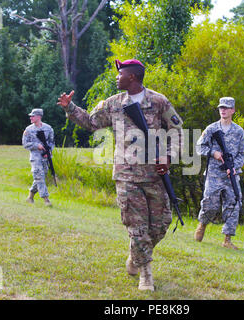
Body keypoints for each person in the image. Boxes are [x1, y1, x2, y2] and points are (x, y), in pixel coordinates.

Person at [57, 59, 183, 291]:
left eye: (120, 73)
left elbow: (176, 130)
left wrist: (168, 156)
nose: (117, 77)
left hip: (155, 175)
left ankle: (135, 255)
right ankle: (146, 274)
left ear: (133, 77)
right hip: (126, 176)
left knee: (161, 225)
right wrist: (70, 108)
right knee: (137, 227)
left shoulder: (158, 101)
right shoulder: (113, 103)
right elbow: (91, 122)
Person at [194, 97, 244, 249]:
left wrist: (234, 167)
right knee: (210, 203)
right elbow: (199, 147)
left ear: (233, 110)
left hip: (231, 175)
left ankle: (227, 239)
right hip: (214, 174)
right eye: (221, 108)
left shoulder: (238, 131)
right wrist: (213, 153)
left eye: (226, 108)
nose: (223, 110)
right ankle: (202, 224)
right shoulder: (211, 129)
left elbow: (242, 154)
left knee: (234, 203)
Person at [22, 108, 55, 207]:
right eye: (30, 116)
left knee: (40, 176)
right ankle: (46, 200)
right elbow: (25, 144)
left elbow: (52, 142)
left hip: (45, 157)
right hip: (35, 156)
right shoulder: (28, 130)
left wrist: (48, 152)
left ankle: (30, 197)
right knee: (39, 176)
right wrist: (37, 146)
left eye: (33, 116)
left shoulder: (48, 128)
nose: (30, 117)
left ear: (39, 117)